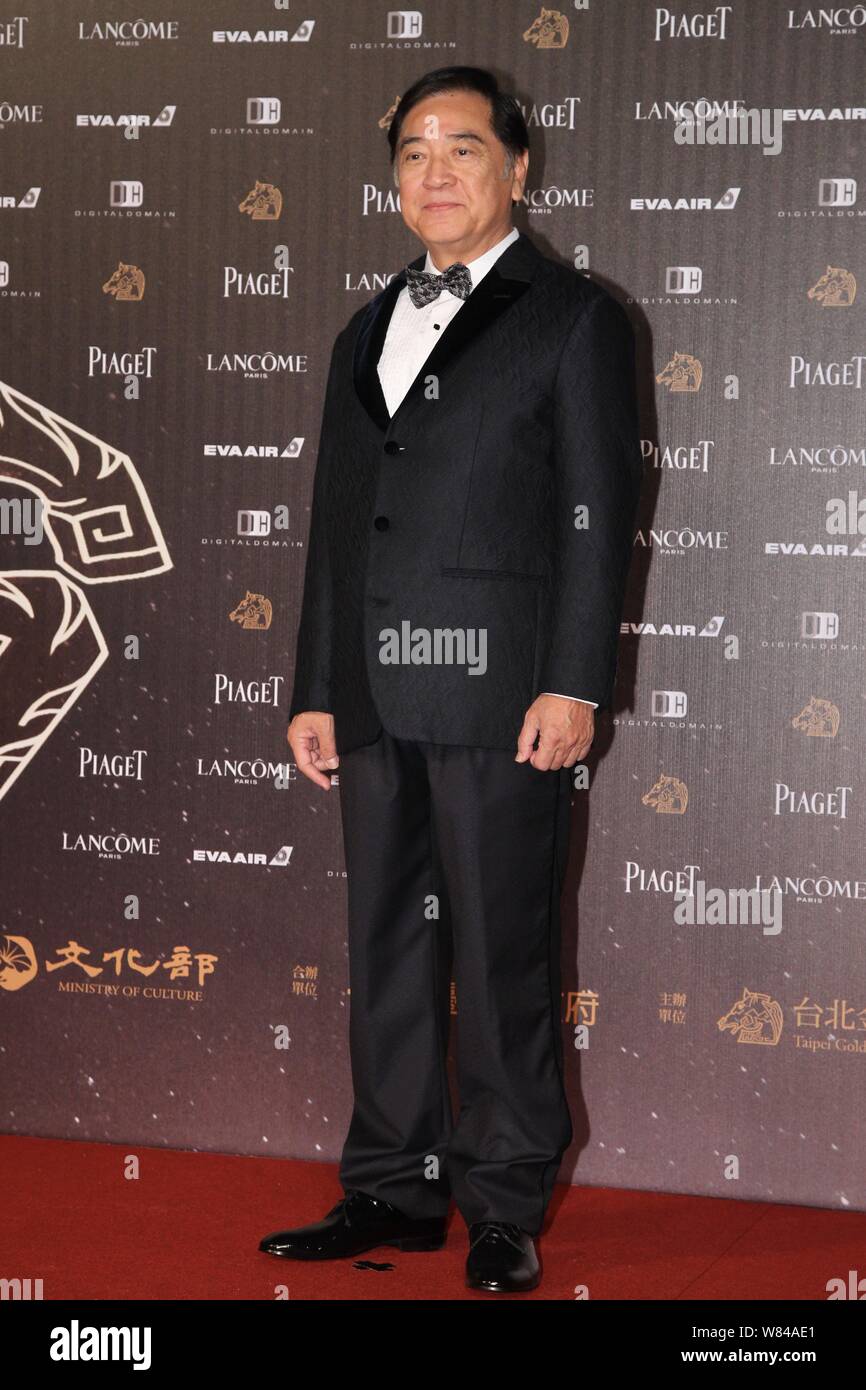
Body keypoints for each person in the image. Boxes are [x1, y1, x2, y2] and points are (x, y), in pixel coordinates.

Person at [259, 65, 643, 1295]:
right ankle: (390, 1181)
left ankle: (501, 1198)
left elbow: (596, 518)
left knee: (503, 950)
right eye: (414, 150)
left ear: (517, 169)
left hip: (502, 696)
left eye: (463, 148)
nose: (434, 171)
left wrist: (574, 680)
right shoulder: (363, 328)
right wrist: (316, 684)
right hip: (373, 694)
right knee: (385, 946)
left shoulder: (573, 316)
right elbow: (336, 522)